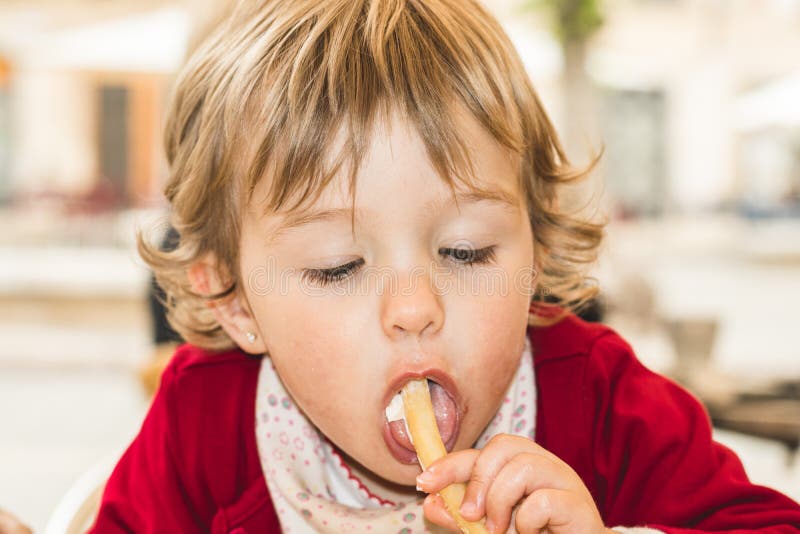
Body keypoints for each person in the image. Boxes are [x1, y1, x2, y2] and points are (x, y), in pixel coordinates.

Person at [89, 0, 800, 532]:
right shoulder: (205, 419)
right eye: (337, 267)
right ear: (238, 301)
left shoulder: (600, 401)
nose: (413, 308)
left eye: (467, 252)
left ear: (535, 252)